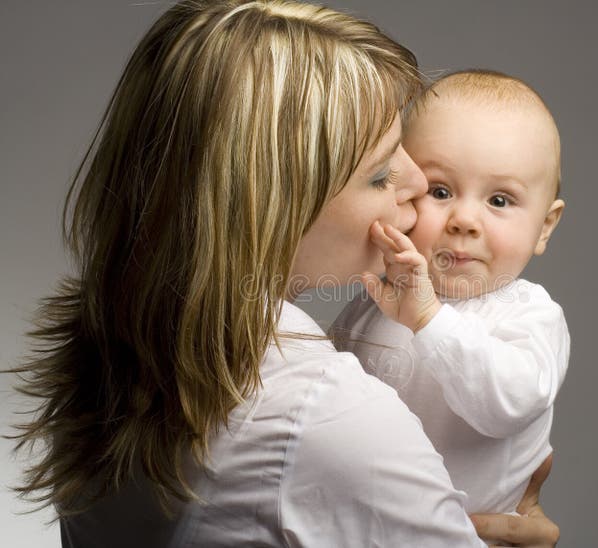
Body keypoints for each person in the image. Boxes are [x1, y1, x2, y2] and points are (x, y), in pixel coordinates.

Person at [9, 2, 559, 546]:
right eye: (379, 172)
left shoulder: (113, 346)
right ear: (275, 206)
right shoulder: (324, 415)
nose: (418, 183)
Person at [332, 70, 569, 515]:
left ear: (545, 227)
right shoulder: (377, 296)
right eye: (440, 191)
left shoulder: (529, 314)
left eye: (499, 200)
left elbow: (511, 404)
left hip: (460, 532)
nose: (464, 219)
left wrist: (429, 319)